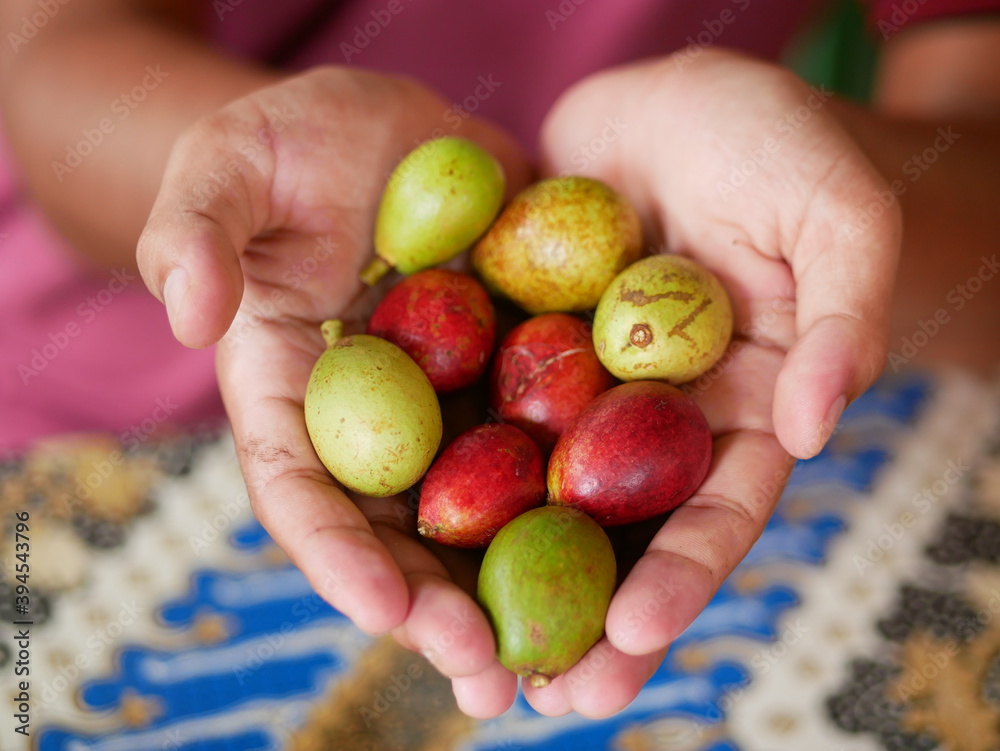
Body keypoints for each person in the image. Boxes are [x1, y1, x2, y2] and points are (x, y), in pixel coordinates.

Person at [2, 0, 998, 720]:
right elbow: (39, 55)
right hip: (75, 418)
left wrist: (827, 195)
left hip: (703, 384)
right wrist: (238, 176)